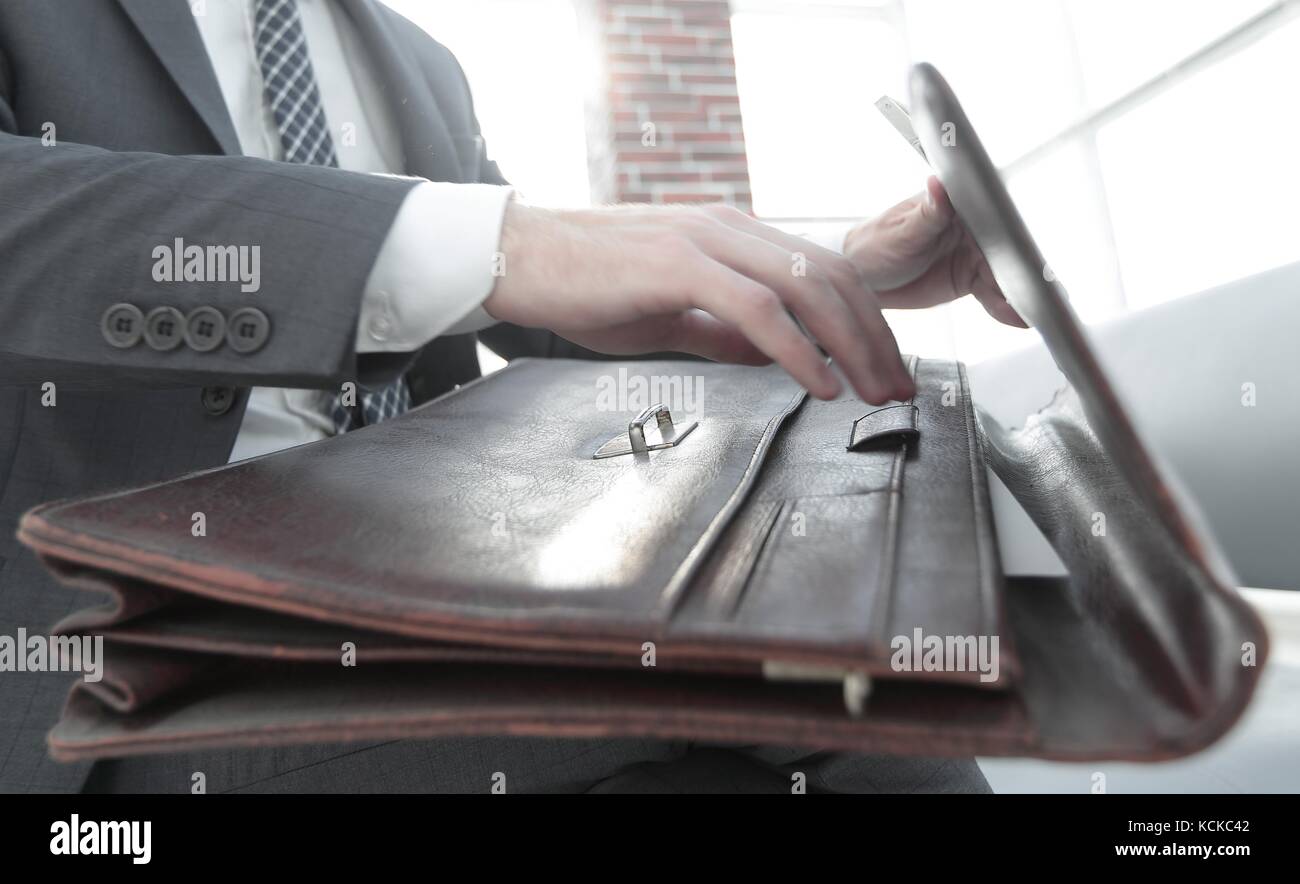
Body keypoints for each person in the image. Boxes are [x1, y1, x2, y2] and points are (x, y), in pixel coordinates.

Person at [0, 0, 1022, 794]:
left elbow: (556, 309)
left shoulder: (419, 66)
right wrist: (496, 240)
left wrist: (831, 267)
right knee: (821, 682)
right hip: (130, 666)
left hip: (431, 591)